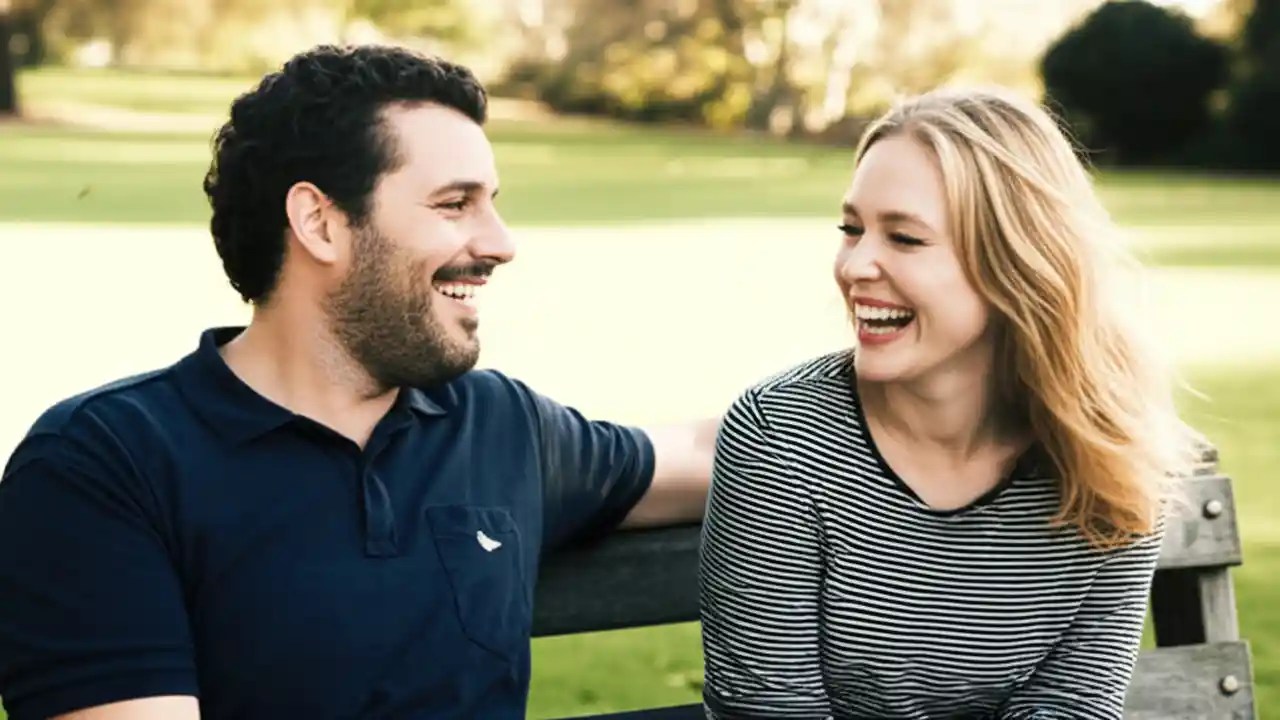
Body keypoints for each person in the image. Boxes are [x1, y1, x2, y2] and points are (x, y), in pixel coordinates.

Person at [0, 44, 720, 720]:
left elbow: (712, 449)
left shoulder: (497, 426)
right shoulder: (102, 466)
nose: (500, 242)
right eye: (455, 203)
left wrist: (841, 307)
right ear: (320, 223)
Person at [697, 86, 1202, 719]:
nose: (855, 266)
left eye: (904, 239)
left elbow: (1071, 704)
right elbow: (769, 710)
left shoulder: (1113, 452)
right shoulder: (782, 437)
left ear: (1018, 260)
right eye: (851, 230)